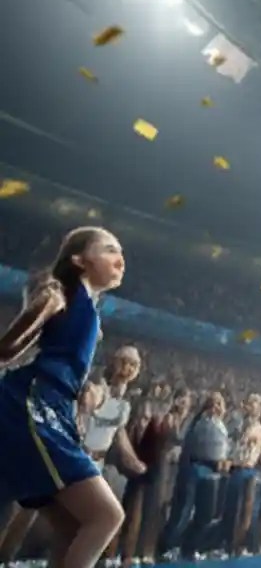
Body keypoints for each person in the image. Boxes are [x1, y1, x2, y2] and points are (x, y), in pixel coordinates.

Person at [0, 227, 127, 568]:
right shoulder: (60, 296)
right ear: (79, 260)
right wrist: (42, 303)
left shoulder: (88, 308)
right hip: (32, 404)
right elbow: (6, 349)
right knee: (106, 515)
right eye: (109, 249)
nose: (120, 258)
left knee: (73, 528)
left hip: (54, 408)